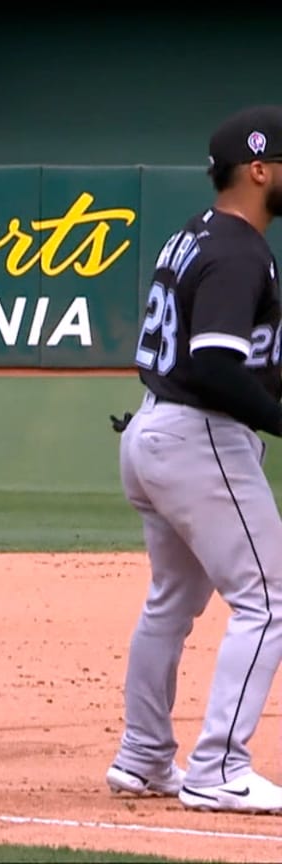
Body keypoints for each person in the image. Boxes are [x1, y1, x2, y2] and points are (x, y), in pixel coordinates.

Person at [107, 104, 282, 813]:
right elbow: (215, 367)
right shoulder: (240, 251)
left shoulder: (197, 236)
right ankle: (217, 768)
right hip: (198, 435)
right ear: (260, 169)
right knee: (270, 599)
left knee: (171, 605)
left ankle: (144, 757)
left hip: (155, 435)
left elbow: (238, 358)